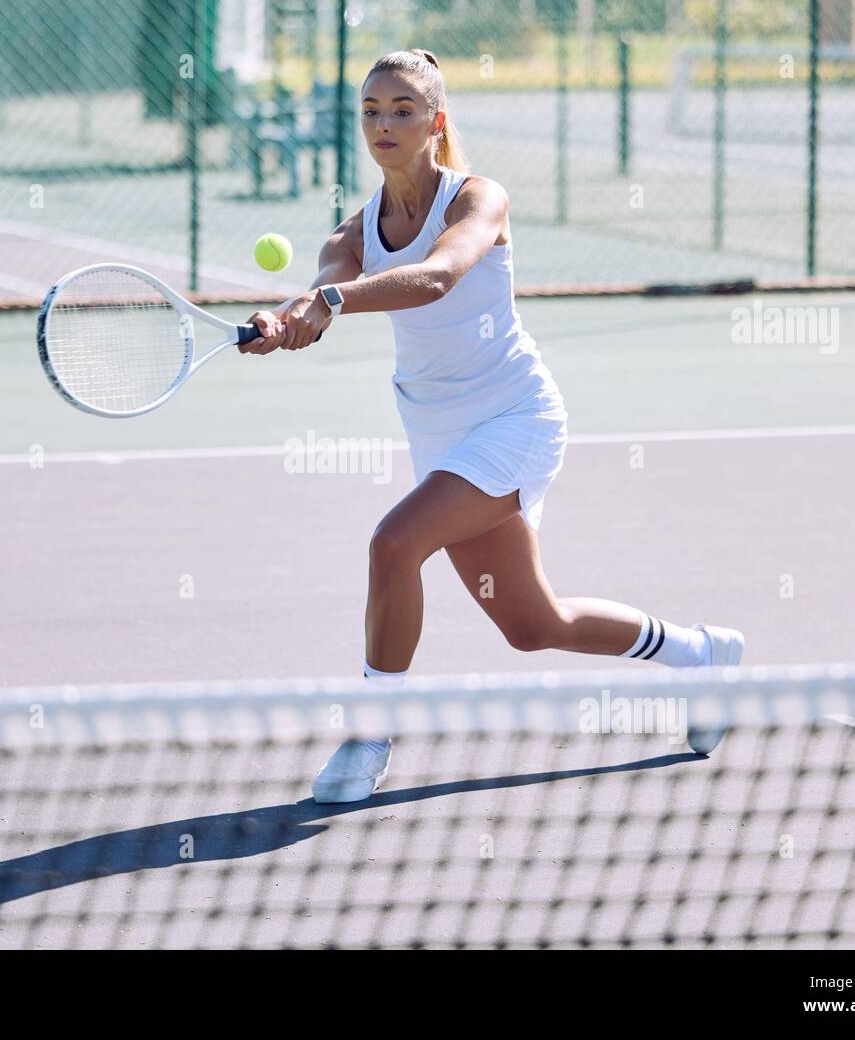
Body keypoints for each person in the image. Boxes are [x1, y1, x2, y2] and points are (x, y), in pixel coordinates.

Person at [241, 49, 744, 803]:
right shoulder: (352, 236)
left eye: (403, 109)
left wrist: (332, 307)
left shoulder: (478, 199)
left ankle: (371, 733)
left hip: (516, 418)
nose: (384, 122)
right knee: (534, 623)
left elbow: (438, 275)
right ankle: (702, 654)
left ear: (434, 122)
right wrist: (288, 321)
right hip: (439, 437)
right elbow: (321, 295)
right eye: (372, 110)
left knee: (393, 542)